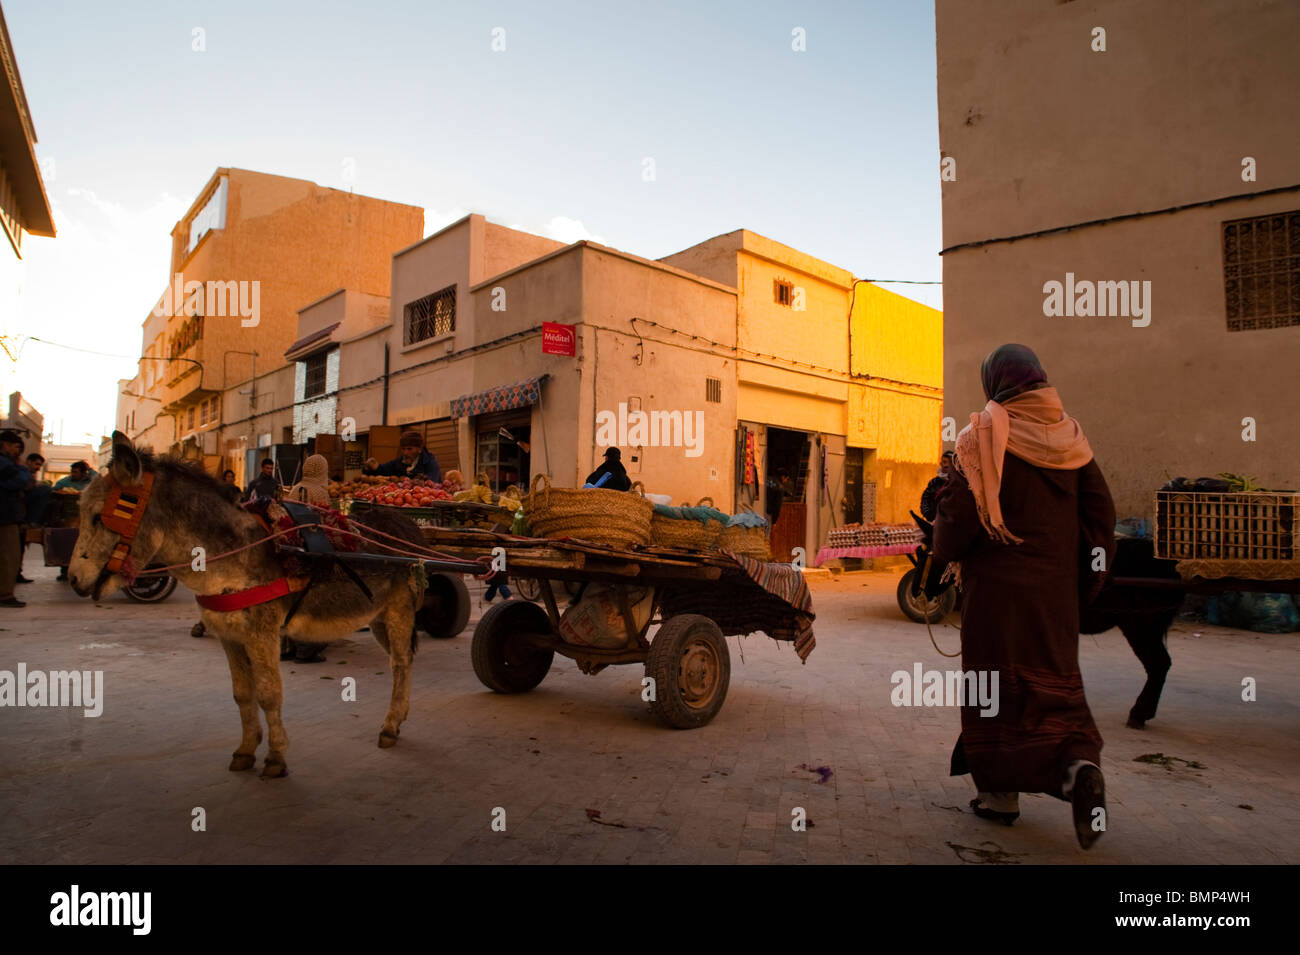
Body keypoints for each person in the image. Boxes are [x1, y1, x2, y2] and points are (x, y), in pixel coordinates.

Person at [930, 343, 1115, 850]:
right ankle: (1077, 769)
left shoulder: (981, 437)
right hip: (1054, 601)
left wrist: (940, 544)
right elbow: (1101, 518)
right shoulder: (1074, 441)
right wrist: (1085, 585)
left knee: (995, 693)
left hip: (996, 601)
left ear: (996, 384)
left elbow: (958, 522)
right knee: (1056, 690)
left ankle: (999, 797)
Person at [0, 430, 33, 607]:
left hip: (6, 515)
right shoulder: (5, 463)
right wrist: (22, 468)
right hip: (4, 517)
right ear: (5, 445)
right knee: (9, 555)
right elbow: (19, 481)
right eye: (15, 447)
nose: (17, 451)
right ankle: (5, 594)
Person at [364, 431, 441, 482]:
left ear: (420, 449)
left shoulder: (430, 463)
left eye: (409, 449)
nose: (405, 452)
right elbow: (384, 470)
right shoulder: (399, 462)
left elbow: (432, 483)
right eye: (403, 449)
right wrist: (374, 467)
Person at [920, 451, 955, 522]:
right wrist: (929, 515)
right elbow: (926, 499)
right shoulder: (934, 482)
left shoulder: (957, 483)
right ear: (941, 463)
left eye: (950, 462)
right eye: (945, 462)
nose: (947, 465)